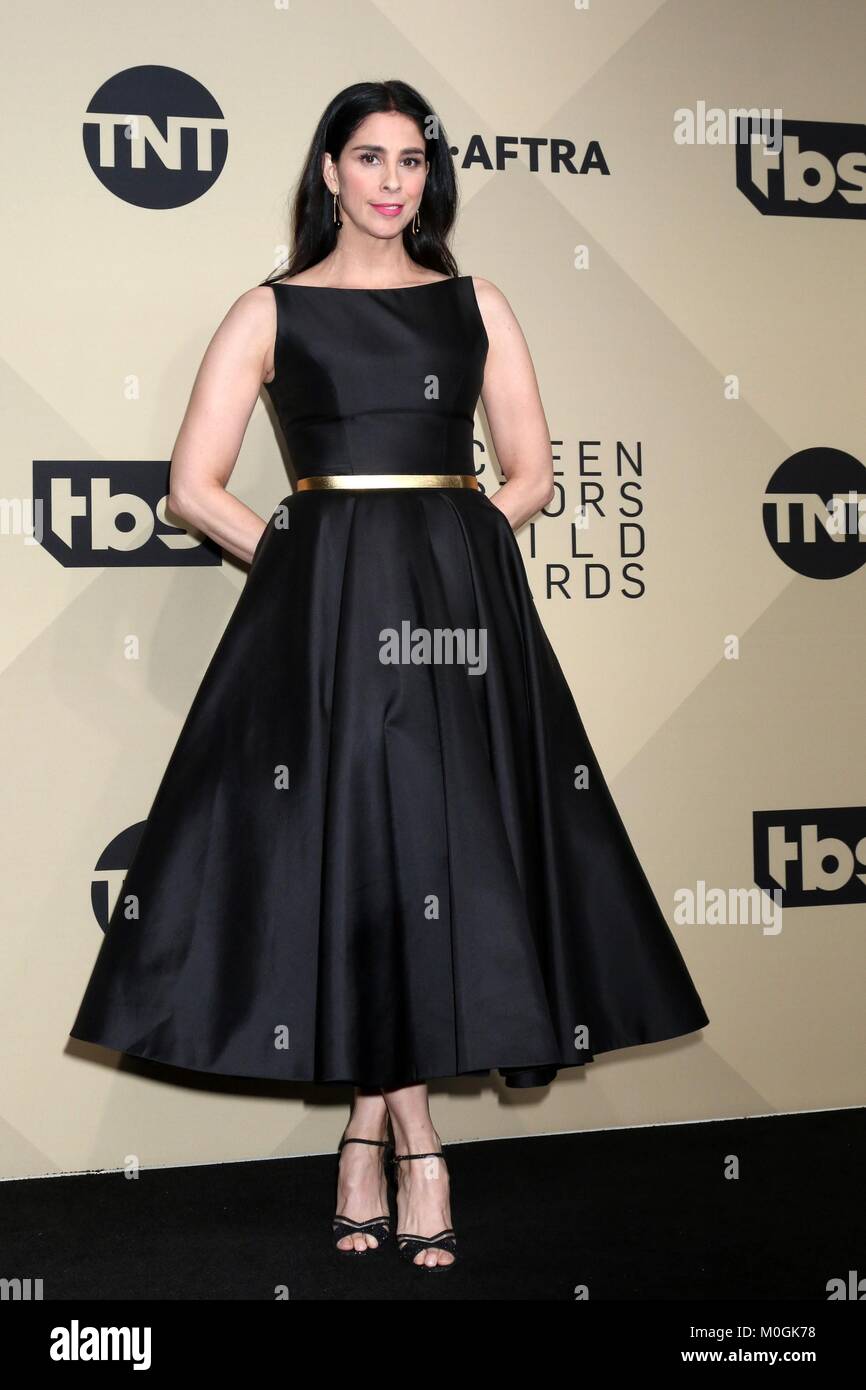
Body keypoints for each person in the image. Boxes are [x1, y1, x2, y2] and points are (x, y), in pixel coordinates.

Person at [70, 80, 709, 1272]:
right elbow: (191, 485)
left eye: (409, 159)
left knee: (427, 858)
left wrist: (455, 557)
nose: (389, 179)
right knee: (358, 863)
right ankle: (417, 1140)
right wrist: (305, 569)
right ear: (326, 170)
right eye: (366, 156)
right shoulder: (272, 310)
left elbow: (528, 472)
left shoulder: (475, 305)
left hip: (452, 626)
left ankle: (367, 1128)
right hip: (318, 633)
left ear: (428, 176)